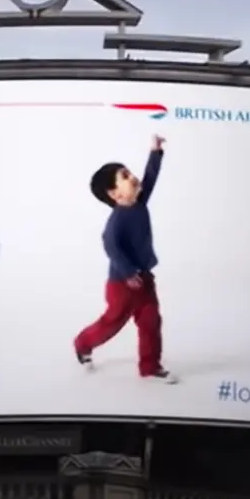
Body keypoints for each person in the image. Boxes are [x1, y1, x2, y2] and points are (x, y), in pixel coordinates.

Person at [73, 134, 178, 384]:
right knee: (112, 323)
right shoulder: (117, 221)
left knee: (151, 321)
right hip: (122, 285)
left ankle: (150, 367)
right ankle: (83, 343)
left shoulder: (140, 202)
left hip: (144, 279)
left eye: (129, 172)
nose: (133, 177)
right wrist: (129, 271)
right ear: (114, 194)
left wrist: (155, 151)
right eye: (125, 177)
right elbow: (110, 246)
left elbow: (150, 177)